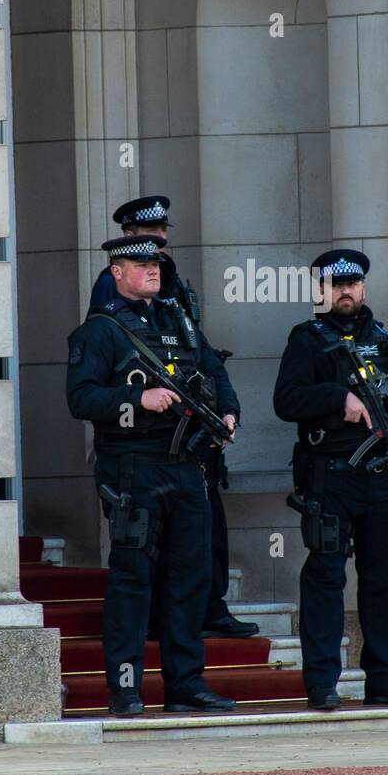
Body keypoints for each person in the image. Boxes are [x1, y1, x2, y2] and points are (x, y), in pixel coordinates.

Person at [66, 234, 240, 716]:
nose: (153, 270)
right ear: (116, 271)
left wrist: (228, 412)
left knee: (189, 579)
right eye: (141, 264)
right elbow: (80, 398)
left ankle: (186, 684)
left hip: (186, 466)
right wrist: (135, 399)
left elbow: (214, 369)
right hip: (134, 470)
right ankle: (125, 688)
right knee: (133, 581)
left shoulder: (176, 320)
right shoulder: (99, 331)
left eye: (156, 263)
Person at [87, 195, 258, 640]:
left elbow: (199, 349)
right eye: (148, 237)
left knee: (204, 529)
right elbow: (108, 365)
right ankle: (156, 628)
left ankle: (208, 608)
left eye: (162, 234)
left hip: (191, 433)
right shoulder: (115, 287)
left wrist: (227, 408)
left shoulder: (171, 283)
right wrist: (140, 397)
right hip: (147, 444)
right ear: (127, 241)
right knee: (148, 546)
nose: (158, 245)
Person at [273, 249, 388, 712]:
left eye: (353, 283)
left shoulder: (382, 338)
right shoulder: (307, 339)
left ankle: (384, 676)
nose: (346, 291)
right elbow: (286, 401)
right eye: (336, 284)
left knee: (385, 578)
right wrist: (336, 395)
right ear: (321, 291)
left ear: (363, 288)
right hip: (332, 477)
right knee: (324, 578)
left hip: (385, 478)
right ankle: (322, 682)